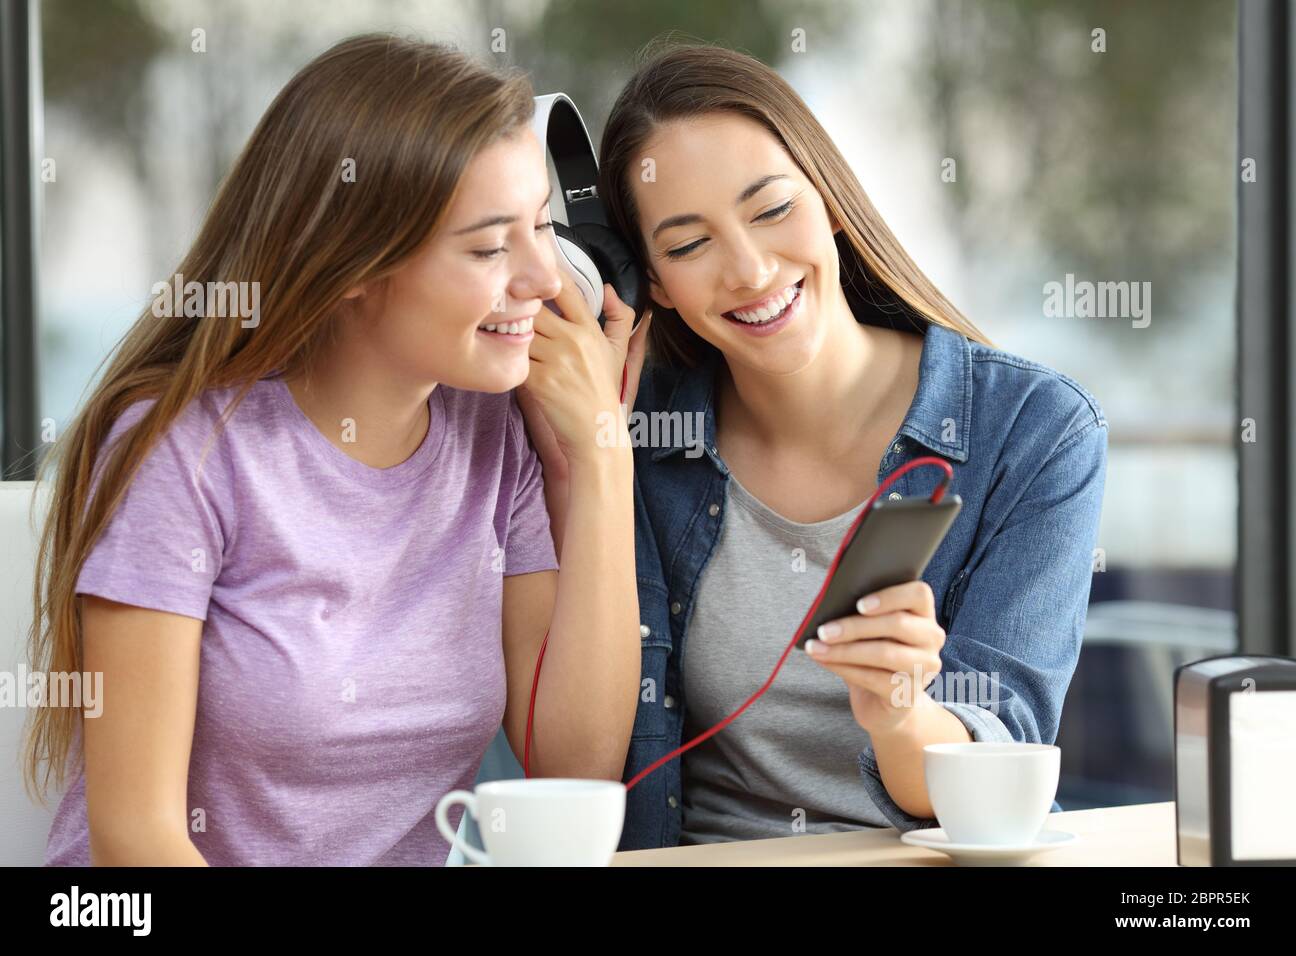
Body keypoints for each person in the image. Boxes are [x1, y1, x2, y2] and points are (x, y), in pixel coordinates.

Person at [26, 33, 642, 866]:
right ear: (356, 264)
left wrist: (599, 458)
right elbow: (137, 838)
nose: (542, 277)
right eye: (491, 246)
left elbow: (571, 767)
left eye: (541, 227)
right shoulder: (186, 448)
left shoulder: (498, 431)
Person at [575, 41, 1108, 849]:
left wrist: (897, 712)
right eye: (689, 246)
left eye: (771, 209)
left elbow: (1004, 773)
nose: (751, 270)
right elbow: (581, 759)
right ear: (650, 285)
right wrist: (598, 442)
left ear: (830, 200)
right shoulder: (640, 438)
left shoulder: (1033, 432)